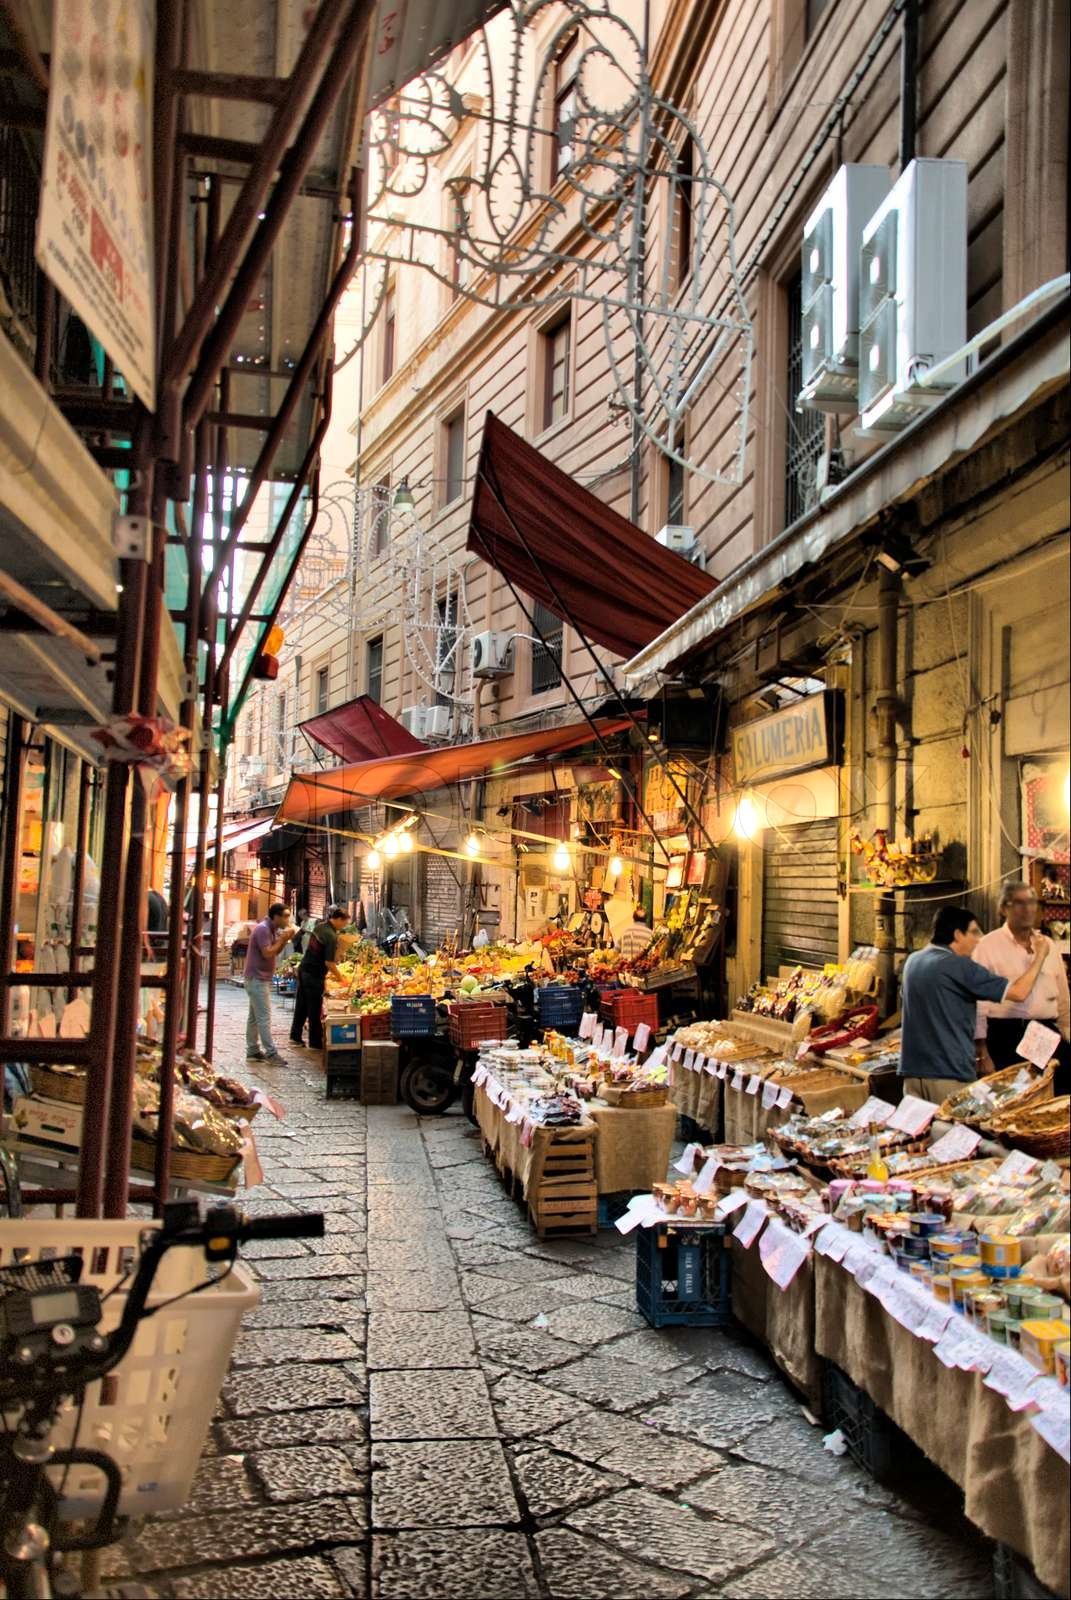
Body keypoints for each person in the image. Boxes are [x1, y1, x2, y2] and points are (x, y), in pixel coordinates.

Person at [898, 905, 1052, 1104]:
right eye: (973, 932)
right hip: (947, 1074)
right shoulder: (959, 966)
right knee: (953, 1133)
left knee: (924, 1135)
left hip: (912, 1074)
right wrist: (1040, 956)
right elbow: (1019, 992)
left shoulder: (913, 961)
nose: (978, 939)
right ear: (957, 934)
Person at [973, 882, 1071, 1092]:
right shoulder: (987, 946)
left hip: (1044, 1030)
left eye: (1031, 902)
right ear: (1003, 908)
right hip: (1005, 1034)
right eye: (1018, 903)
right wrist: (981, 1051)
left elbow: (1062, 993)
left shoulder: (1048, 944)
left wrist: (1066, 1028)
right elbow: (978, 1003)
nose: (1027, 909)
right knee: (1012, 1096)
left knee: (1058, 1093)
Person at [244, 903, 298, 1062]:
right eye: (286, 916)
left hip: (260, 977)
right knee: (263, 1016)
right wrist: (283, 939)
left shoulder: (271, 930)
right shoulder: (263, 929)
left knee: (254, 1017)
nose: (288, 919)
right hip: (257, 978)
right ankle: (271, 1052)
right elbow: (267, 953)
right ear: (276, 917)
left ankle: (253, 1050)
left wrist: (283, 940)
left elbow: (275, 951)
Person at [292, 906, 349, 1051]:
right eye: (344, 923)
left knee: (302, 1004)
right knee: (314, 1008)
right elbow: (329, 962)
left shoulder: (321, 926)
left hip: (304, 969)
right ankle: (315, 1043)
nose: (344, 926)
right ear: (338, 919)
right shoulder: (331, 935)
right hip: (314, 974)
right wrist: (341, 978)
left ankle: (295, 1036)